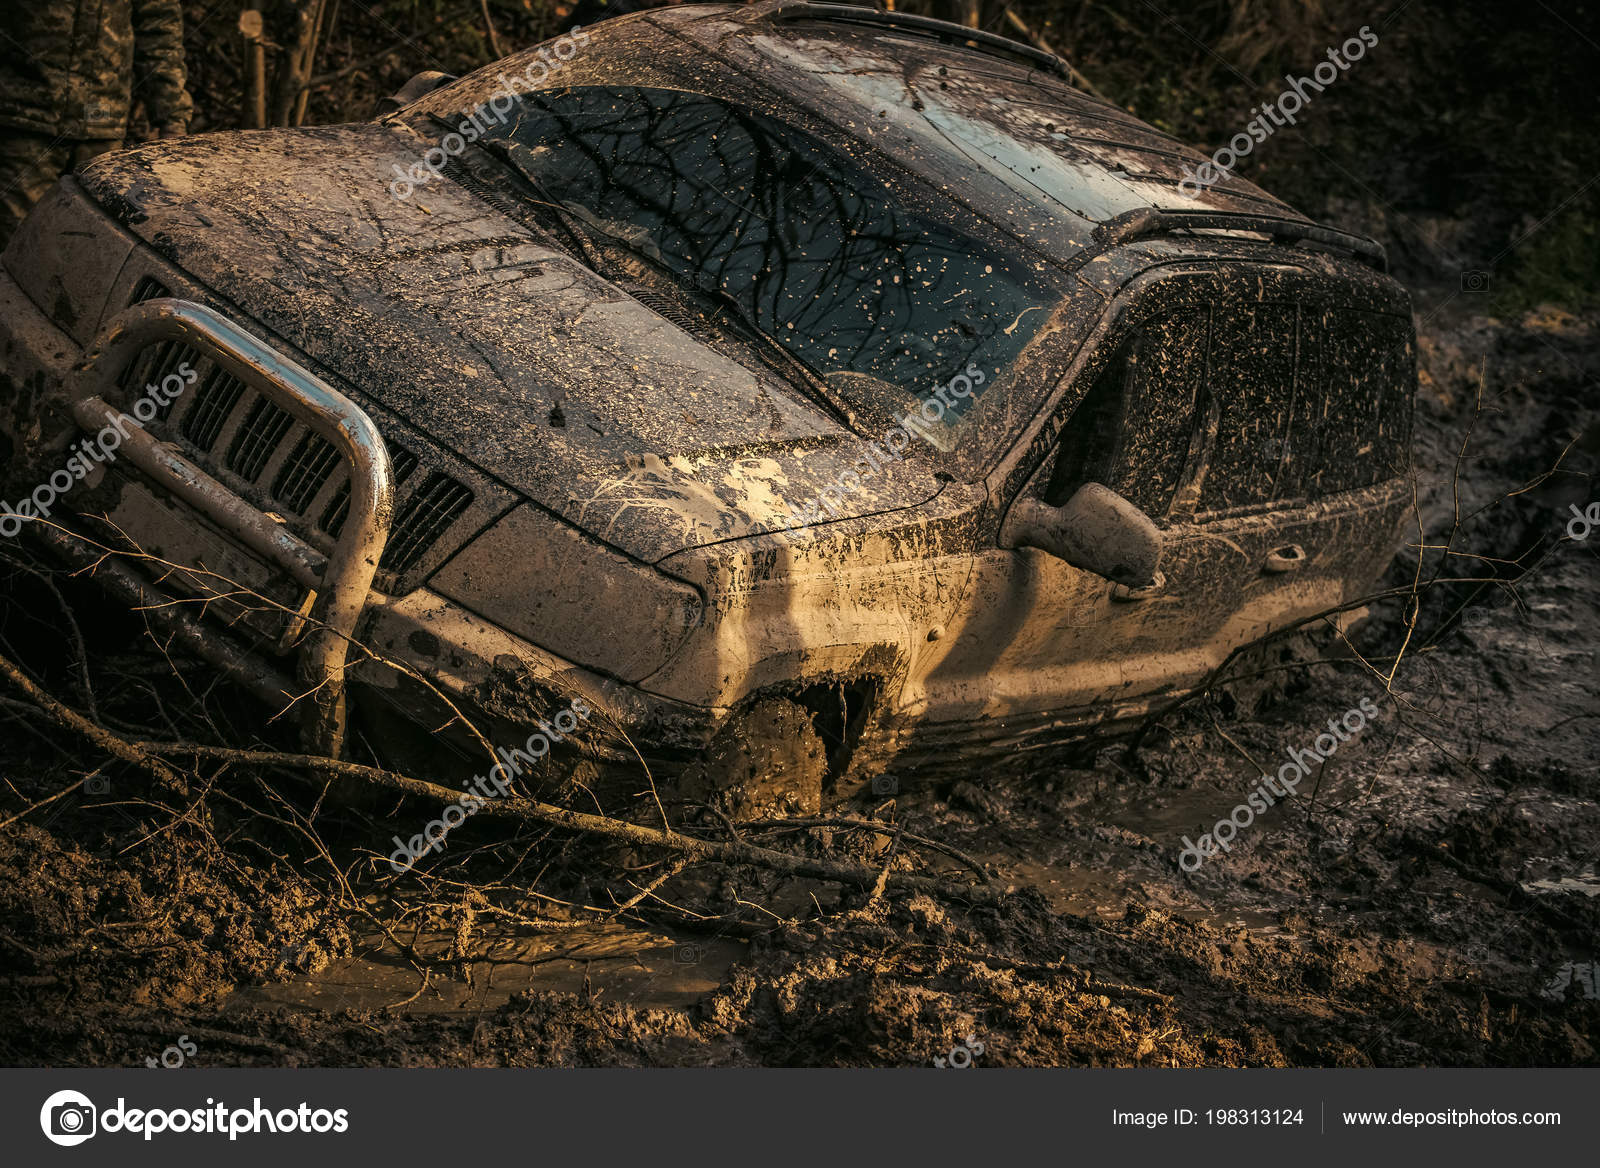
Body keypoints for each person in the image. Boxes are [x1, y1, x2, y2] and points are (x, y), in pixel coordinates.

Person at [0, 0, 192, 245]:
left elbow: (159, 24)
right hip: (23, 120)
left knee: (92, 248)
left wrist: (171, 115)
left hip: (101, 126)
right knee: (14, 247)